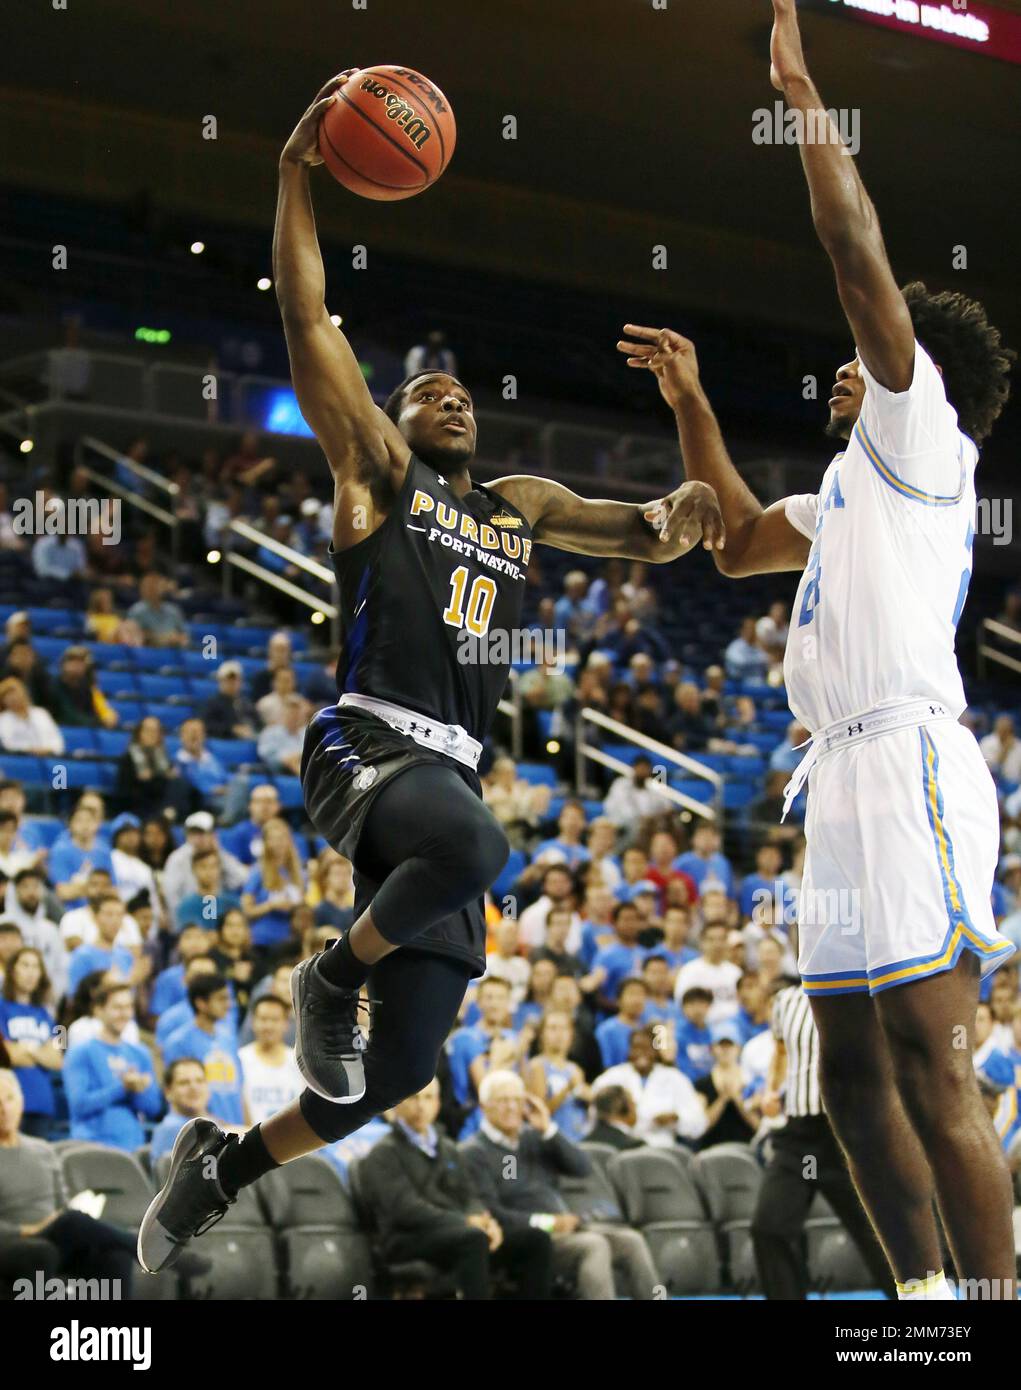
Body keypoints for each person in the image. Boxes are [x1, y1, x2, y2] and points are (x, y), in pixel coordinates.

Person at [136, 70, 723, 1275]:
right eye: (421, 390)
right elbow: (309, 322)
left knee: (397, 1070)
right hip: (367, 742)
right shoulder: (377, 474)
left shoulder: (517, 505)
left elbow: (645, 529)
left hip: (447, 777)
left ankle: (218, 1168)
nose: (445, 395)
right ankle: (324, 974)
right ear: (392, 423)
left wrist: (683, 493)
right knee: (480, 845)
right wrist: (295, 173)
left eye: (458, 390)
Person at [620, 0, 1017, 1300]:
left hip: (906, 761)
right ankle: (925, 1301)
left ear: (915, 375)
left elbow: (856, 258)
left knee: (927, 1053)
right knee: (844, 1059)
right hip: (835, 778)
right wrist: (690, 408)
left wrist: (800, 95)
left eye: (869, 349)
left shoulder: (921, 442)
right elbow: (733, 543)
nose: (848, 359)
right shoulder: (847, 490)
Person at [751, 980, 895, 1301]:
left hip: (849, 1134)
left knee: (877, 1235)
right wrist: (771, 1090)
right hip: (799, 1134)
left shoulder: (863, 991)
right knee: (769, 1227)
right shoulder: (784, 1000)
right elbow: (779, 1051)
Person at [462, 1069, 658, 1300]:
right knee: (594, 1245)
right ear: (484, 1106)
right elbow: (493, 1212)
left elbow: (583, 1168)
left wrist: (549, 1129)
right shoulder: (475, 1151)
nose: (512, 1107)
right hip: (529, 1240)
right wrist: (549, 1223)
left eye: (517, 1100)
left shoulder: (536, 1137)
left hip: (566, 1229)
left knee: (631, 1241)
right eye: (503, 1100)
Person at [360, 1077, 553, 1300]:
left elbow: (470, 1194)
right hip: (406, 1239)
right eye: (413, 1098)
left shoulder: (448, 1148)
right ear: (396, 1104)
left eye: (428, 1098)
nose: (421, 1105)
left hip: (457, 1232)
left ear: (438, 1104)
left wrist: (486, 1221)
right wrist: (465, 1221)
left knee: (536, 1239)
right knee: (472, 1239)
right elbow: (405, 1209)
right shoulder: (383, 1153)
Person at [0, 1071, 139, 1299]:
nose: (4, 1109)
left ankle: (109, 1334)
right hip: (12, 1242)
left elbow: (62, 1205)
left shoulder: (43, 1150)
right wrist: (28, 1230)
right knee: (57, 1235)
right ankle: (141, 1248)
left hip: (54, 1235)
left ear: (22, 1101)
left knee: (115, 1256)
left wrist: (61, 1218)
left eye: (9, 1099)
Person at [64, 982, 162, 1148]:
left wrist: (139, 1091)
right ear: (99, 1010)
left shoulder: (141, 1053)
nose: (124, 1014)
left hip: (133, 1145)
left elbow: (153, 1108)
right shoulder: (80, 1053)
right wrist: (123, 1088)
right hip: (91, 1145)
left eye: (128, 1007)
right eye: (117, 1007)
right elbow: (78, 1105)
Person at [594, 1027, 706, 1150]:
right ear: (629, 1050)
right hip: (621, 1146)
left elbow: (699, 1123)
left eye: (647, 1048)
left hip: (662, 1150)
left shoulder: (674, 1078)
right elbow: (595, 1104)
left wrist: (676, 1118)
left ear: (656, 1051)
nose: (641, 1053)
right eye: (636, 1047)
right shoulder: (614, 1076)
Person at [162, 974, 246, 1128]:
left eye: (228, 998)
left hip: (235, 1129)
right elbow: (180, 1097)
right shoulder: (179, 1042)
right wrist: (220, 1126)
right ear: (201, 1003)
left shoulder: (229, 1038)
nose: (228, 1004)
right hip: (202, 1133)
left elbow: (240, 1089)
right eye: (221, 999)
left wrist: (248, 1127)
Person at [0, 948, 62, 1137]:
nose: (31, 972)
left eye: (36, 967)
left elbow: (58, 1060)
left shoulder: (49, 1015)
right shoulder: (1, 1007)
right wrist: (41, 1051)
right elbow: (7, 1055)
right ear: (12, 971)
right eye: (25, 965)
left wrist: (27, 1049)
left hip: (42, 1104)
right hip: (7, 1103)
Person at [524, 1010, 591, 1143]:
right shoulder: (537, 1066)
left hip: (578, 1138)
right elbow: (539, 1112)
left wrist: (590, 1097)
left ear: (571, 1034)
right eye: (553, 1028)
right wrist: (567, 1089)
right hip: (550, 1141)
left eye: (564, 1029)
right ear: (542, 1034)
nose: (559, 1034)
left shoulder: (576, 1069)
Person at [238, 994, 303, 1124]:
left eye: (274, 1020)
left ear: (286, 1024)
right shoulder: (240, 1059)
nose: (268, 1026)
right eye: (263, 1019)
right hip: (249, 1139)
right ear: (253, 1022)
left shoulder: (300, 1062)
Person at [0, 677, 64, 756]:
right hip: (22, 759)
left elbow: (57, 739)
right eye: (7, 695)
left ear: (24, 693)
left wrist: (48, 749)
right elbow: (8, 745)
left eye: (15, 693)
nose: (13, 698)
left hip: (49, 756)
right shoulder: (3, 719)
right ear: (3, 700)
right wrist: (30, 750)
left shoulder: (41, 713)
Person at [127, 572, 188, 648]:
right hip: (149, 652)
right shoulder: (137, 610)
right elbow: (132, 637)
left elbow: (185, 636)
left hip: (174, 652)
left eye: (157, 585)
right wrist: (161, 638)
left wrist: (179, 639)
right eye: (150, 586)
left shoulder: (173, 610)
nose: (155, 589)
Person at [586, 1085, 643, 1151]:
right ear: (626, 1108)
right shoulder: (636, 1147)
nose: (636, 1109)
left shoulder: (582, 1145)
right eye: (633, 1104)